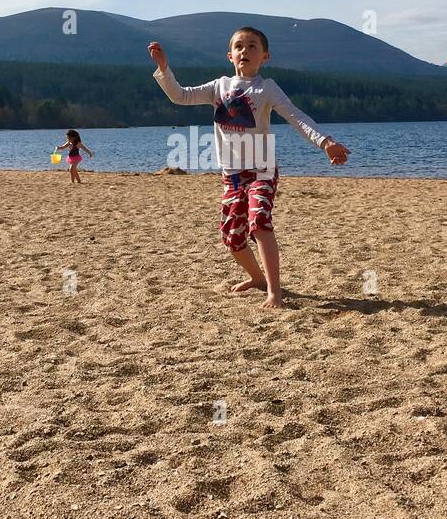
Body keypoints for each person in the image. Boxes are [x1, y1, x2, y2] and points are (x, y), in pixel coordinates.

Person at [149, 27, 350, 309]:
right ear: (230, 55)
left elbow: (296, 116)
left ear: (264, 56)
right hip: (231, 174)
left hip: (262, 169)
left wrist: (325, 141)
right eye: (239, 46)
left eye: (253, 46)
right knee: (231, 235)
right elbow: (180, 96)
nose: (245, 51)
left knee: (259, 223)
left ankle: (274, 290)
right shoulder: (218, 86)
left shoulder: (266, 88)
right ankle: (257, 278)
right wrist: (164, 68)